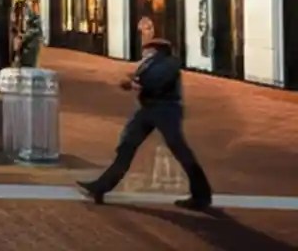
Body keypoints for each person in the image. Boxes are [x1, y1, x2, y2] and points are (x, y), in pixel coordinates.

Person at [77, 38, 213, 211]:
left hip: (165, 110)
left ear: (155, 50)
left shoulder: (168, 64)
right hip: (148, 108)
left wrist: (135, 83)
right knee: (128, 145)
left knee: (179, 149)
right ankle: (101, 186)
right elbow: (143, 81)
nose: (143, 53)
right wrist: (133, 83)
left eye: (146, 50)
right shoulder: (153, 63)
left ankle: (202, 195)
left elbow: (153, 84)